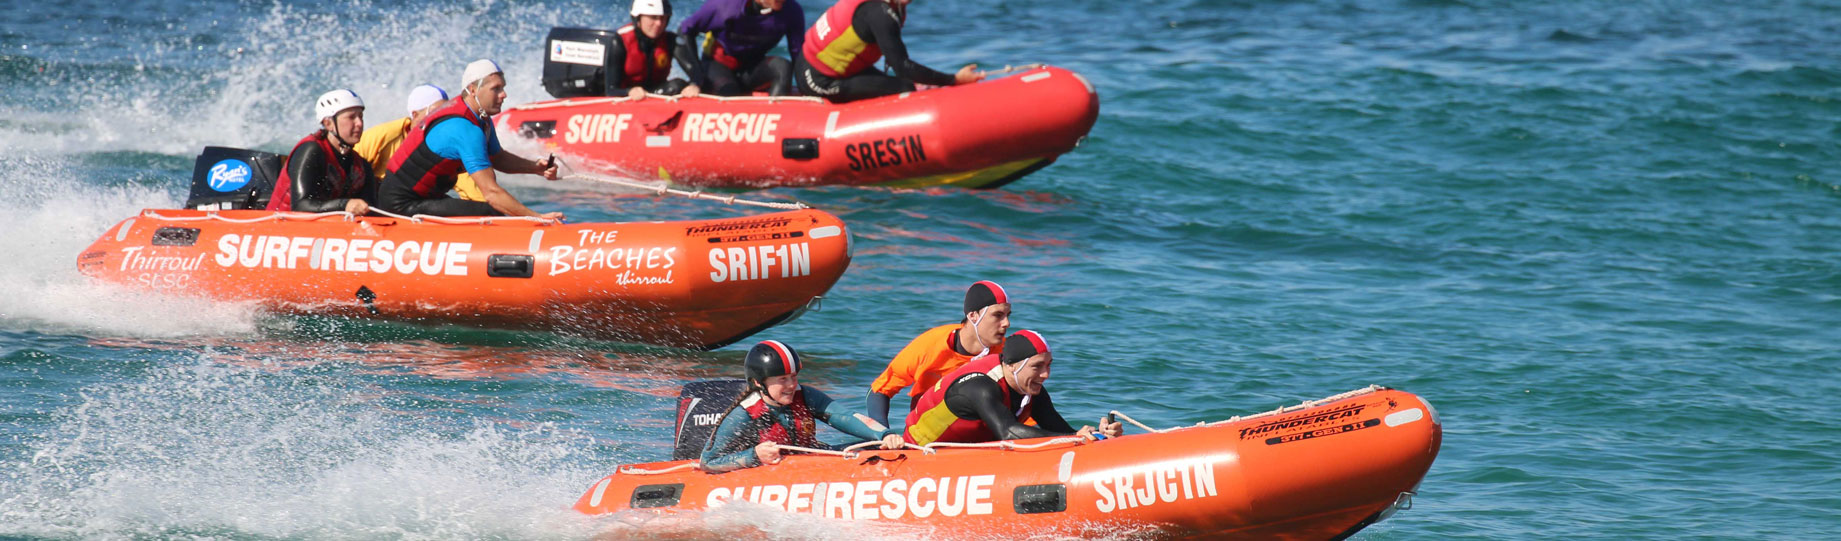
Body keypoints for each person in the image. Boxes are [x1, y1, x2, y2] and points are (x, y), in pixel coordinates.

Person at [378, 59, 565, 219]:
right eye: (496, 89)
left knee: (490, 211)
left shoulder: (479, 116)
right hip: (400, 206)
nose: (504, 94)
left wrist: (535, 168)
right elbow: (491, 193)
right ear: (473, 90)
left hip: (424, 199)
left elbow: (497, 158)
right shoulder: (464, 128)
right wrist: (537, 218)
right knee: (492, 212)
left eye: (503, 87)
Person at [700, 340, 903, 472]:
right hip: (772, 474)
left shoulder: (806, 396)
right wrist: (754, 455)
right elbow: (708, 462)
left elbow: (844, 416)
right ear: (758, 383)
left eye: (794, 377)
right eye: (782, 379)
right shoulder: (744, 415)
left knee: (873, 446)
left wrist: (884, 435)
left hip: (809, 459)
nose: (791, 385)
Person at [902, 330, 1123, 446]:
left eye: (1048, 365)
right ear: (1011, 365)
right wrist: (1074, 438)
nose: (1045, 375)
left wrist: (1096, 436)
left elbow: (1060, 430)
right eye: (1037, 366)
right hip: (921, 452)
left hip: (967, 452)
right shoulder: (980, 386)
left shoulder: (1030, 389)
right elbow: (1008, 433)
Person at [864, 280, 1011, 426]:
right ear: (973, 316)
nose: (1006, 323)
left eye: (1007, 316)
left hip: (984, 430)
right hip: (925, 432)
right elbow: (879, 391)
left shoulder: (1007, 354)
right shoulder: (929, 346)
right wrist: (884, 434)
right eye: (997, 315)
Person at [795, 0, 983, 103]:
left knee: (896, 84)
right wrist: (954, 80)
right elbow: (903, 67)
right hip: (817, 79)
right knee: (904, 87)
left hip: (837, 68)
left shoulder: (891, 7)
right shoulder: (878, 13)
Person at [266, 89, 374, 214]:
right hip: (280, 222)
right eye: (351, 117)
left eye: (361, 117)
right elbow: (300, 205)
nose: (359, 123)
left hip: (328, 224)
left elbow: (372, 210)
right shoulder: (311, 151)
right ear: (328, 124)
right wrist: (344, 205)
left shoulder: (362, 165)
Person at [676, 0, 803, 97]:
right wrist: (696, 79)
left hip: (751, 70)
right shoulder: (725, 5)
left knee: (782, 67)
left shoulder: (792, 11)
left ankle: (776, 117)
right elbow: (685, 31)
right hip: (717, 67)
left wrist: (805, 90)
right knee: (730, 91)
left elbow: (797, 53)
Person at [609, 0, 699, 100]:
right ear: (638, 18)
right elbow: (611, 90)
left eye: (663, 18)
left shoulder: (671, 40)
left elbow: (695, 71)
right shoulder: (620, 40)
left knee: (678, 85)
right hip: (626, 99)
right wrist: (629, 91)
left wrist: (694, 85)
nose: (659, 23)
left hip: (655, 95)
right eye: (653, 17)